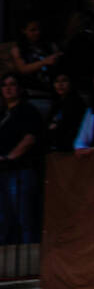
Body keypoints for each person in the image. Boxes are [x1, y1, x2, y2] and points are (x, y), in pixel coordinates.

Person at [0, 73, 44, 245]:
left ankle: (29, 261)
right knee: (4, 219)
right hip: (3, 172)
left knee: (24, 217)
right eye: (4, 85)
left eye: (12, 84)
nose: (8, 88)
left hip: (20, 171)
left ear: (19, 88)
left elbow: (30, 138)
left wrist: (9, 157)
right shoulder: (3, 114)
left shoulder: (27, 110)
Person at [10, 17, 61, 120]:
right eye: (32, 30)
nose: (37, 33)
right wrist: (44, 62)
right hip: (31, 94)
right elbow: (22, 69)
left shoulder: (49, 46)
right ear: (24, 31)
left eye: (38, 29)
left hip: (51, 93)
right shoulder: (19, 49)